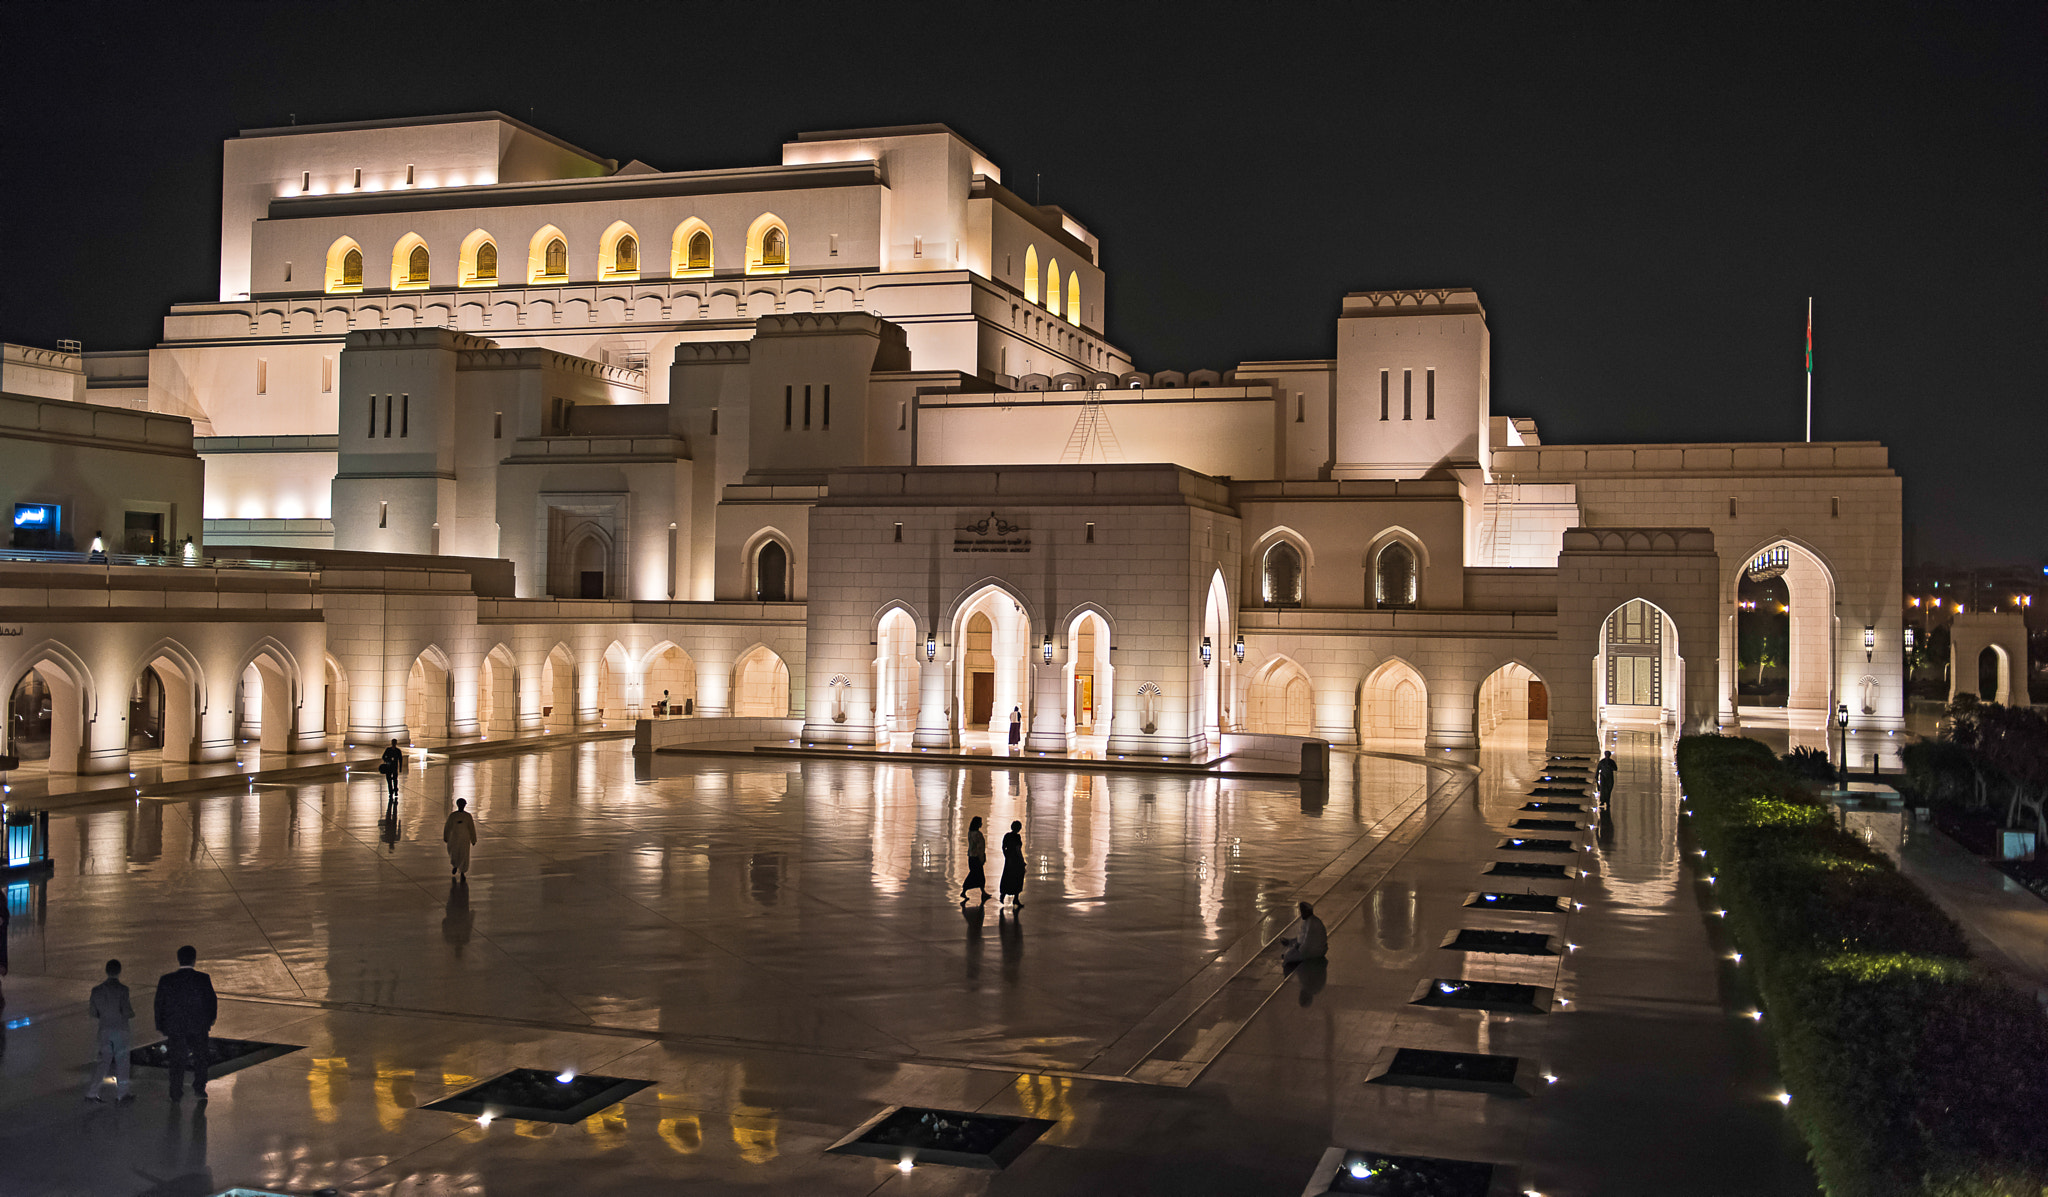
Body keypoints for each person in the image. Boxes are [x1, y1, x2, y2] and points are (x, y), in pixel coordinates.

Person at [154, 945, 217, 1102]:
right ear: (194, 959)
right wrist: (210, 1020)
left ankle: (175, 1091)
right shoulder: (203, 979)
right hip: (198, 1027)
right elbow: (211, 1001)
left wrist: (161, 1025)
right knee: (200, 1058)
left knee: (176, 1060)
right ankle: (199, 1088)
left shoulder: (167, 980)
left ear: (178, 959)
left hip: (176, 1028)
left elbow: (159, 1004)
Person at [86, 959, 136, 1103]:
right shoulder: (123, 990)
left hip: (104, 1029)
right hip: (120, 1030)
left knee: (103, 1062)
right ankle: (123, 1094)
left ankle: (92, 1093)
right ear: (119, 971)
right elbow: (126, 1011)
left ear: (106, 971)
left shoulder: (96, 991)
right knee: (122, 1061)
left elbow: (93, 1013)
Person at [1281, 901, 1327, 965]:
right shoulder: (1308, 921)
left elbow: (1307, 940)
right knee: (1290, 952)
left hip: (1315, 950)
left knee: (1289, 956)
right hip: (1310, 948)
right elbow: (1302, 936)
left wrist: (1297, 948)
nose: (1302, 913)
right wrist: (1291, 941)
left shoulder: (1312, 923)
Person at [443, 797, 478, 879]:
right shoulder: (453, 816)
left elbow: (471, 828)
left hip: (465, 839)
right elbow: (447, 827)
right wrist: (446, 837)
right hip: (454, 838)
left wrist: (473, 839)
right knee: (454, 853)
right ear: (458, 805)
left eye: (463, 804)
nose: (462, 806)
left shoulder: (468, 816)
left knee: (464, 855)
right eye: (460, 804)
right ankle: (455, 865)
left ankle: (463, 871)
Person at [998, 820, 1026, 910]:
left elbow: (1003, 847)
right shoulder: (1017, 837)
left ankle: (1003, 895)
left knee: (1007, 877)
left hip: (1009, 860)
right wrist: (1022, 861)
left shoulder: (1007, 836)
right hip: (1016, 860)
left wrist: (1006, 855)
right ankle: (1016, 898)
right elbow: (1018, 850)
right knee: (1017, 878)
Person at [960, 816, 988, 904]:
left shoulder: (970, 833)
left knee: (978, 875)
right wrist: (982, 857)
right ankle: (964, 890)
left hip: (971, 857)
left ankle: (983, 892)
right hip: (976, 857)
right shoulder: (978, 834)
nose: (981, 824)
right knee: (976, 875)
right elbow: (980, 847)